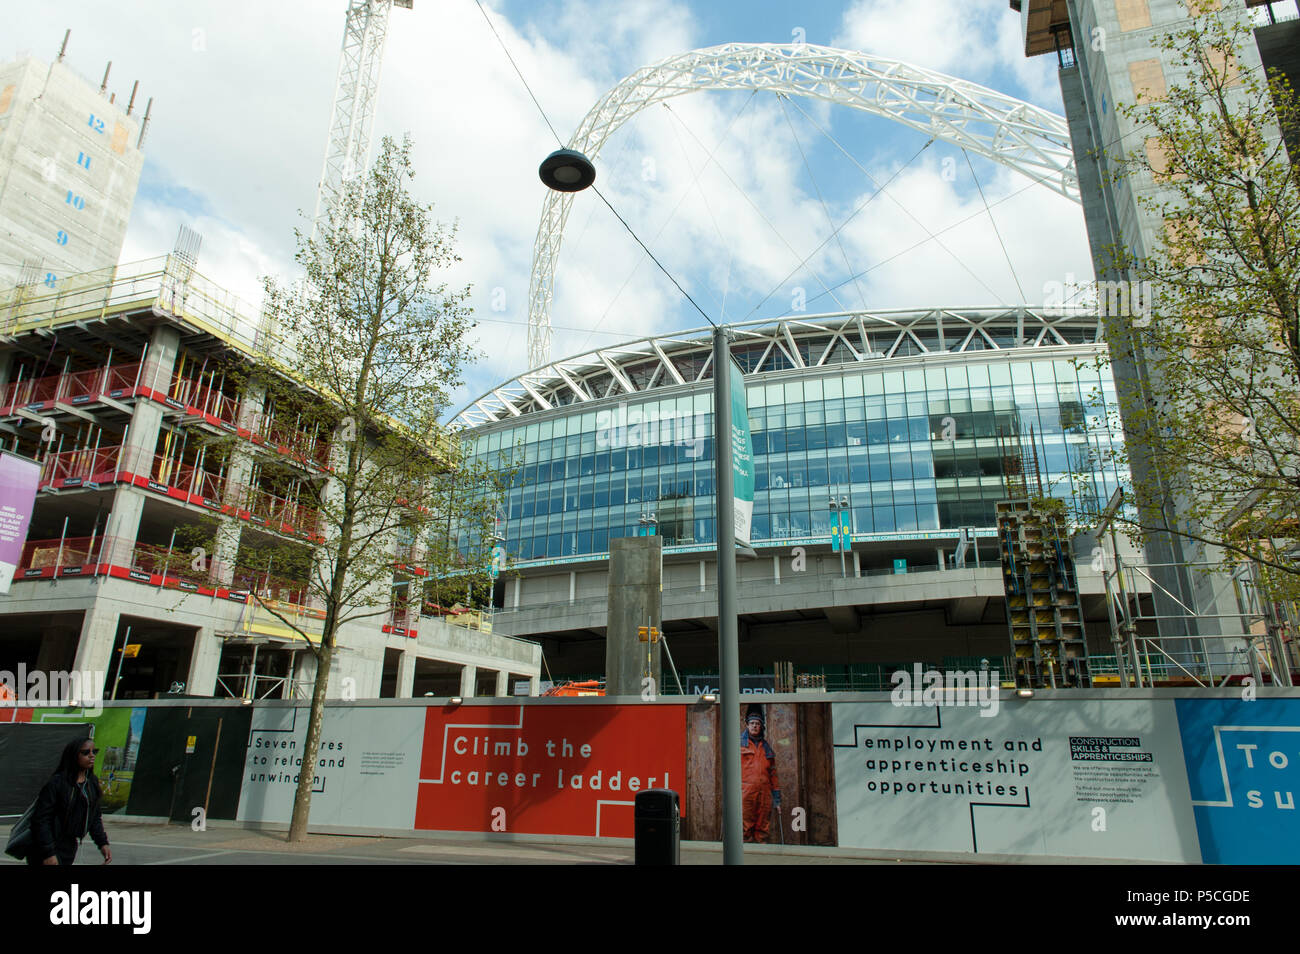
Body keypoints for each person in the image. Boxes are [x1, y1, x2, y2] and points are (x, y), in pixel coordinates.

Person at [26, 737, 112, 866]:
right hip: (47, 846)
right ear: (73, 755)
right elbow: (41, 820)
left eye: (94, 751)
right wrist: (48, 853)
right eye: (85, 752)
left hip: (69, 846)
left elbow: (94, 816)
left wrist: (102, 843)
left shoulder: (91, 783)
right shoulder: (57, 783)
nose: (91, 755)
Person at [740, 704, 781, 843]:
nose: (754, 726)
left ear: (761, 726)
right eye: (751, 723)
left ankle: (760, 856)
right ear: (747, 725)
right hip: (745, 793)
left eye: (757, 723)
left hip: (764, 794)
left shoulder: (767, 748)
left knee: (763, 828)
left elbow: (773, 775)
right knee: (745, 828)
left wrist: (777, 800)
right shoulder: (739, 746)